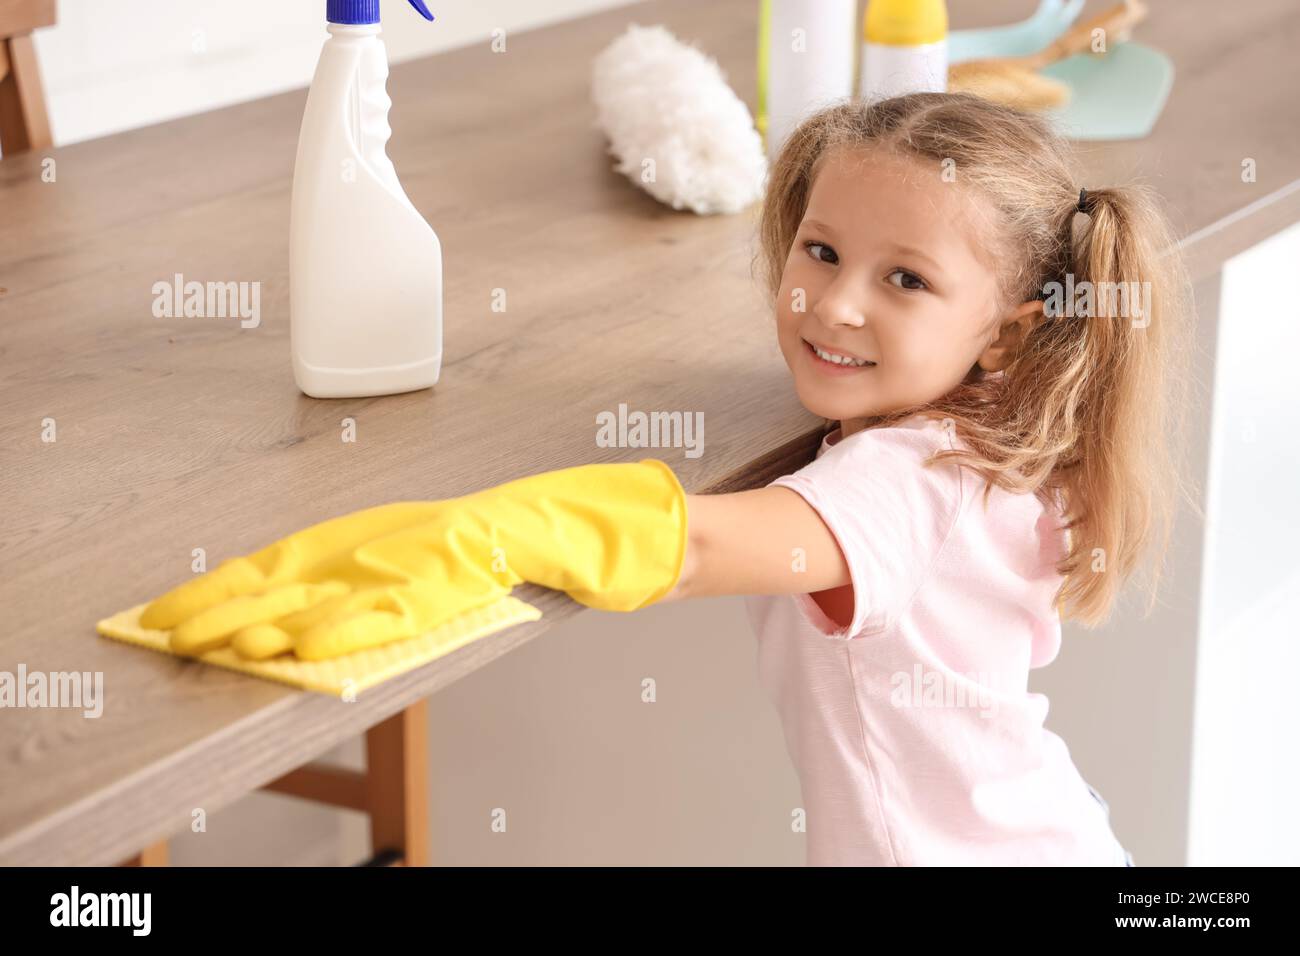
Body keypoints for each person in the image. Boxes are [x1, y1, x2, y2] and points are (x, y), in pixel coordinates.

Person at [136, 92, 1190, 866]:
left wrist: (484, 531)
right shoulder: (1001, 422)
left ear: (1005, 334)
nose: (833, 305)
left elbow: (691, 546)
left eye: (903, 279)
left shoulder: (906, 484)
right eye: (820, 251)